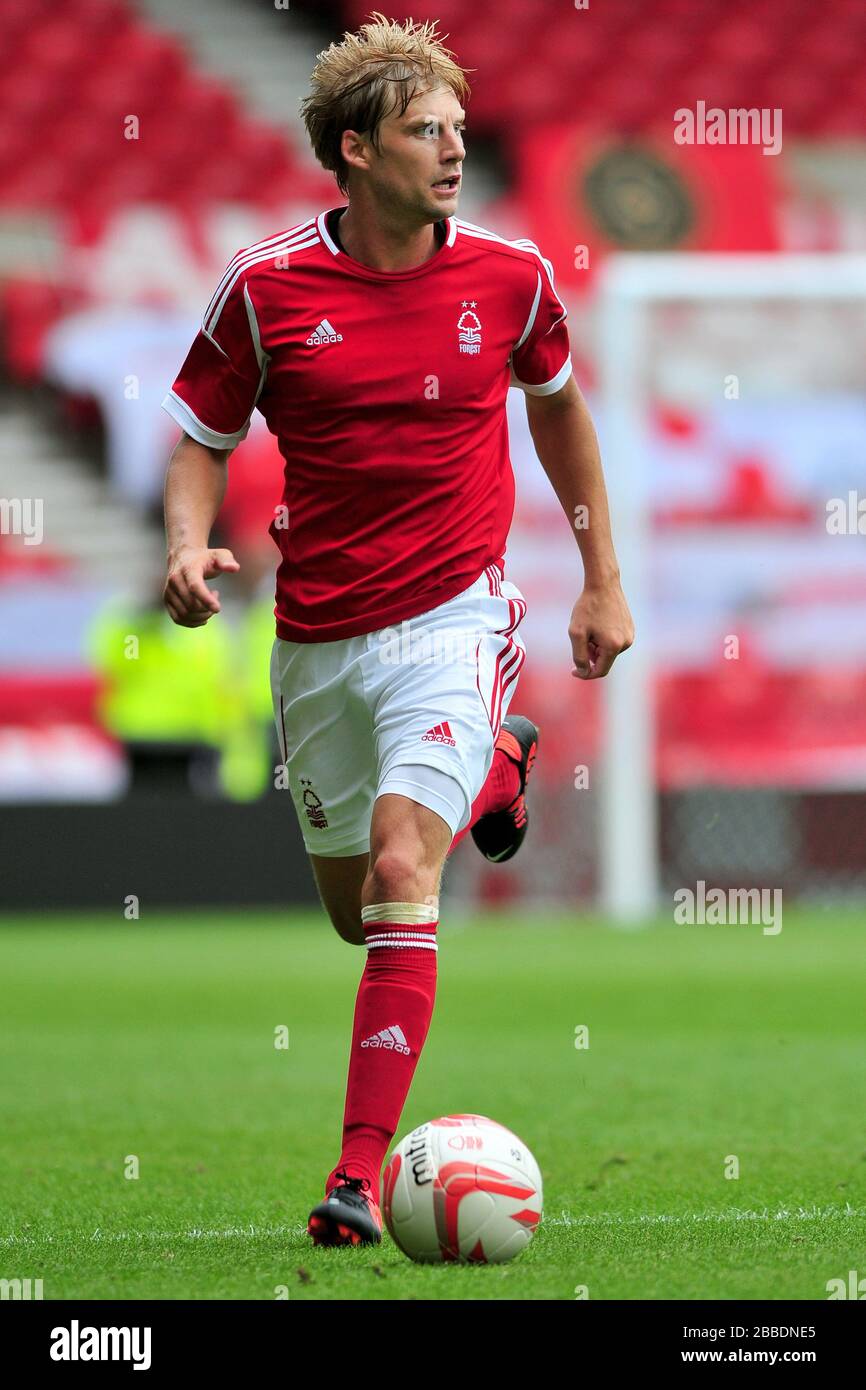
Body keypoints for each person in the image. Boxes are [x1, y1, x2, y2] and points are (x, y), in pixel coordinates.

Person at [161, 12, 633, 1247]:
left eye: (460, 131)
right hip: (318, 638)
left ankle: (356, 1176)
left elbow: (563, 416)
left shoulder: (509, 276)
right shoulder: (265, 292)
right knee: (355, 915)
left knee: (399, 872)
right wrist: (182, 541)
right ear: (356, 151)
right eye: (426, 131)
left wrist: (598, 576)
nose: (452, 151)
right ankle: (503, 761)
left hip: (452, 611)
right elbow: (200, 445)